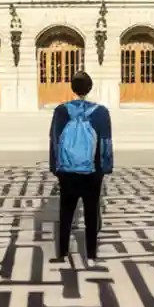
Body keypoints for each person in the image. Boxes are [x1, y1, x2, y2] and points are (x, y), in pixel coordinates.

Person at [48, 70, 114, 268]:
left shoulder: (61, 111)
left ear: (73, 89)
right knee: (91, 212)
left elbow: (54, 140)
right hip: (92, 170)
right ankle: (91, 256)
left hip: (67, 169)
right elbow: (106, 141)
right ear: (90, 88)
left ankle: (62, 253)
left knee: (66, 212)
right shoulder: (101, 112)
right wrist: (105, 167)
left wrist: (55, 167)